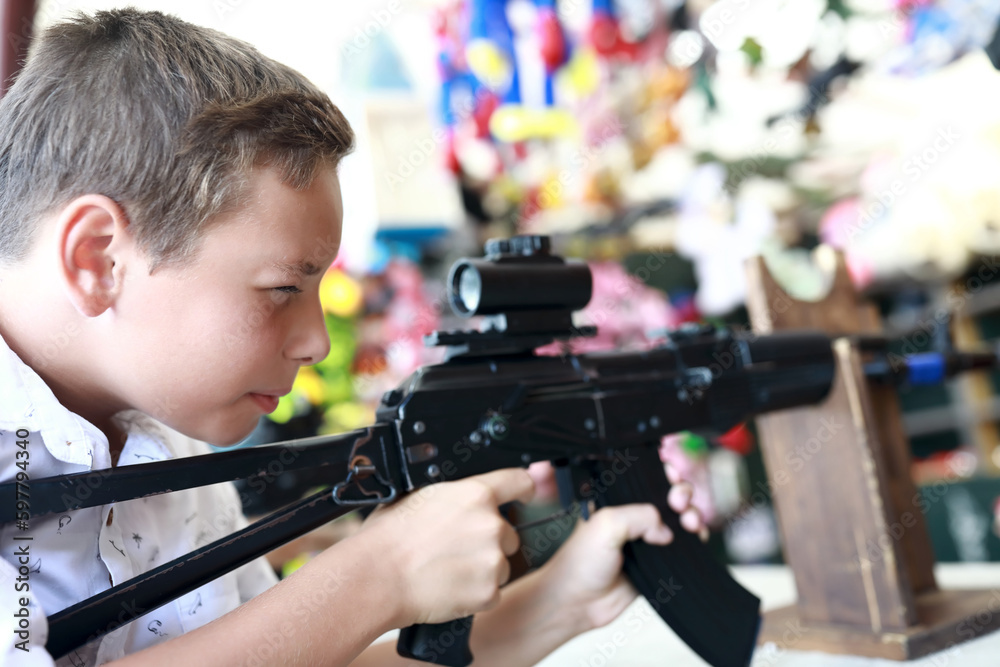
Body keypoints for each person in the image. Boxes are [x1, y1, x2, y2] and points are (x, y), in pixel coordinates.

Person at [0, 8, 705, 666]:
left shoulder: (164, 444)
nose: (318, 343)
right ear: (98, 258)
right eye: (282, 288)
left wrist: (558, 601)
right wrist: (378, 573)